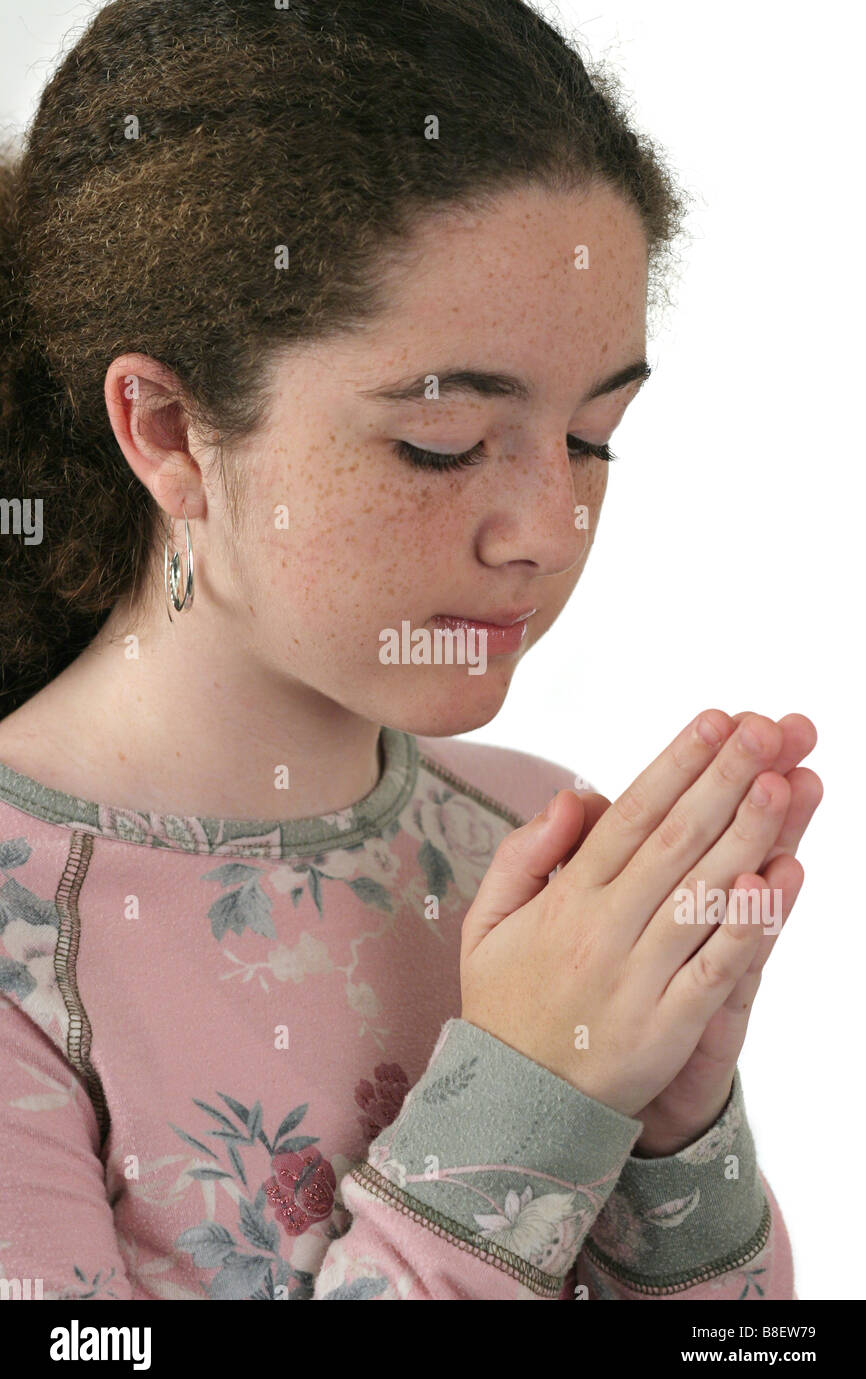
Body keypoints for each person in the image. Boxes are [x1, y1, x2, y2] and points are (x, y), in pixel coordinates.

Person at [0, 0, 821, 1300]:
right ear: (162, 426)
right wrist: (527, 1101)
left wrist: (675, 1141)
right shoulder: (23, 944)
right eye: (438, 442)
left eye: (593, 436)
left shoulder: (526, 839)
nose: (549, 527)